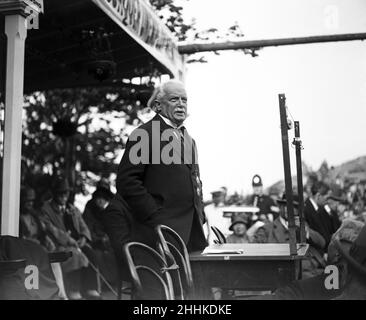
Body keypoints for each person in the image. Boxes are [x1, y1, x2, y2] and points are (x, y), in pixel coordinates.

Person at [116, 79, 207, 252]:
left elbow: (196, 181)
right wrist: (154, 216)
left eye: (184, 100)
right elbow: (126, 182)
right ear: (158, 105)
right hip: (158, 237)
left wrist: (200, 214)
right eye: (174, 99)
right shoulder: (144, 134)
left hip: (192, 236)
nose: (181, 105)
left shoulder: (189, 139)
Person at [41, 177, 100, 300]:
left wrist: (83, 237)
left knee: (91, 253)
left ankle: (90, 289)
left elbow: (83, 225)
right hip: (58, 247)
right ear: (54, 194)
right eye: (60, 193)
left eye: (66, 193)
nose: (63, 196)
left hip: (76, 244)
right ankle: (74, 291)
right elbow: (52, 230)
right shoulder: (46, 210)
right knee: (73, 255)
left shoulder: (72, 209)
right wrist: (69, 240)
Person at [254, 193, 327, 278]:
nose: (287, 209)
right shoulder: (267, 230)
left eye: (292, 207)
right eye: (284, 205)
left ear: (298, 210)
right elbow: (255, 250)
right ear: (280, 207)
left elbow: (322, 243)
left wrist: (306, 232)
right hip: (282, 276)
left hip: (311, 273)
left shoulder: (303, 226)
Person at [83, 180, 118, 286]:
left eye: (104, 197)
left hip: (109, 243)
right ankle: (100, 284)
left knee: (116, 254)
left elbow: (115, 228)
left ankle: (112, 281)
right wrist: (98, 239)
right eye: (99, 197)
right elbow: (86, 228)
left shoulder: (111, 208)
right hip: (94, 242)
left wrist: (109, 238)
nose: (101, 200)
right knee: (97, 255)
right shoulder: (89, 207)